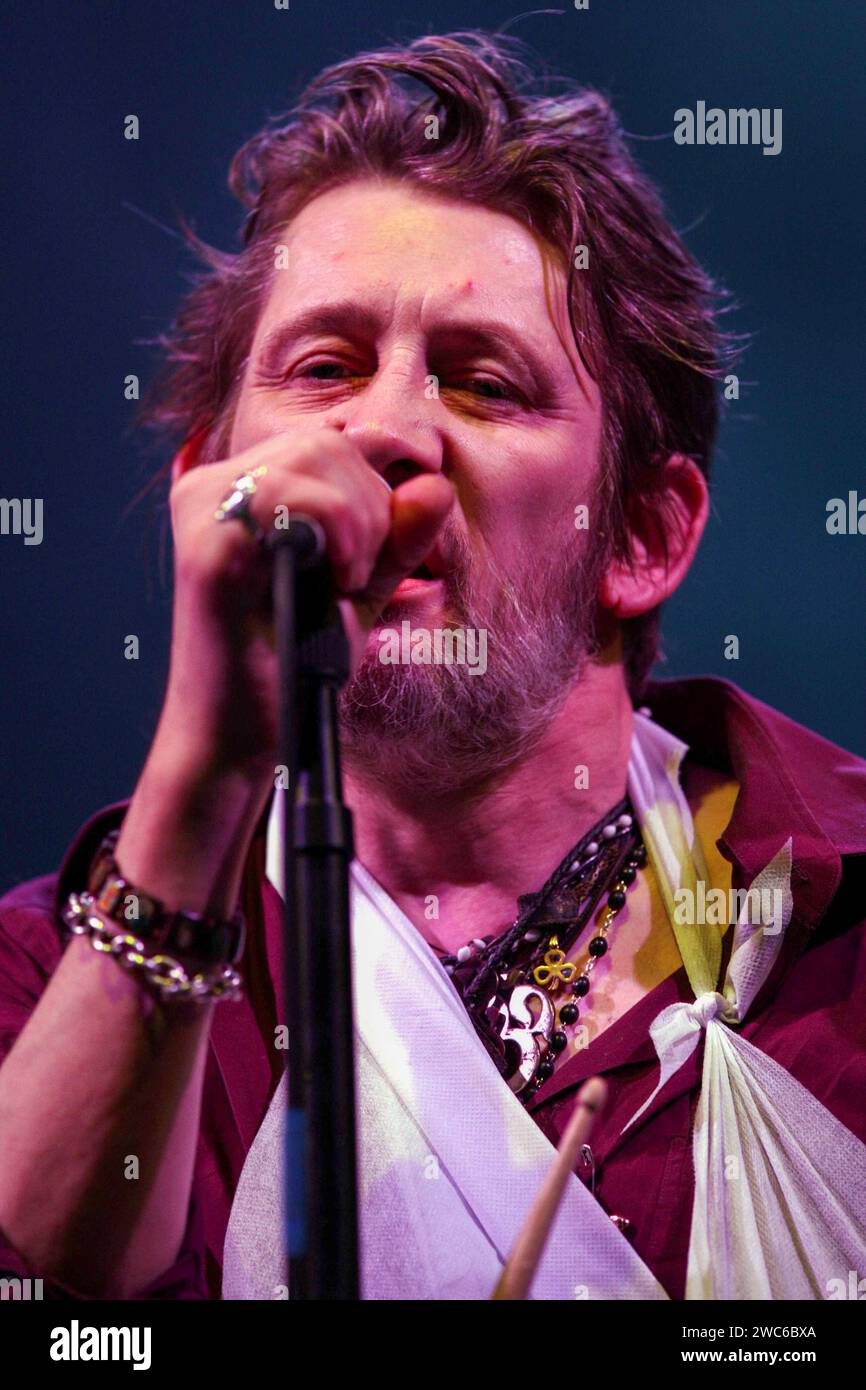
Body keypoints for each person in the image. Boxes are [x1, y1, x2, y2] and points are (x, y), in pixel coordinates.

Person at [1, 32, 864, 1302]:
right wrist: (207, 766)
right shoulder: (43, 984)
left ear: (637, 534)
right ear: (207, 494)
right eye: (323, 369)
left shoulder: (835, 935)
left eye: (481, 383)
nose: (389, 431)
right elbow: (56, 1293)